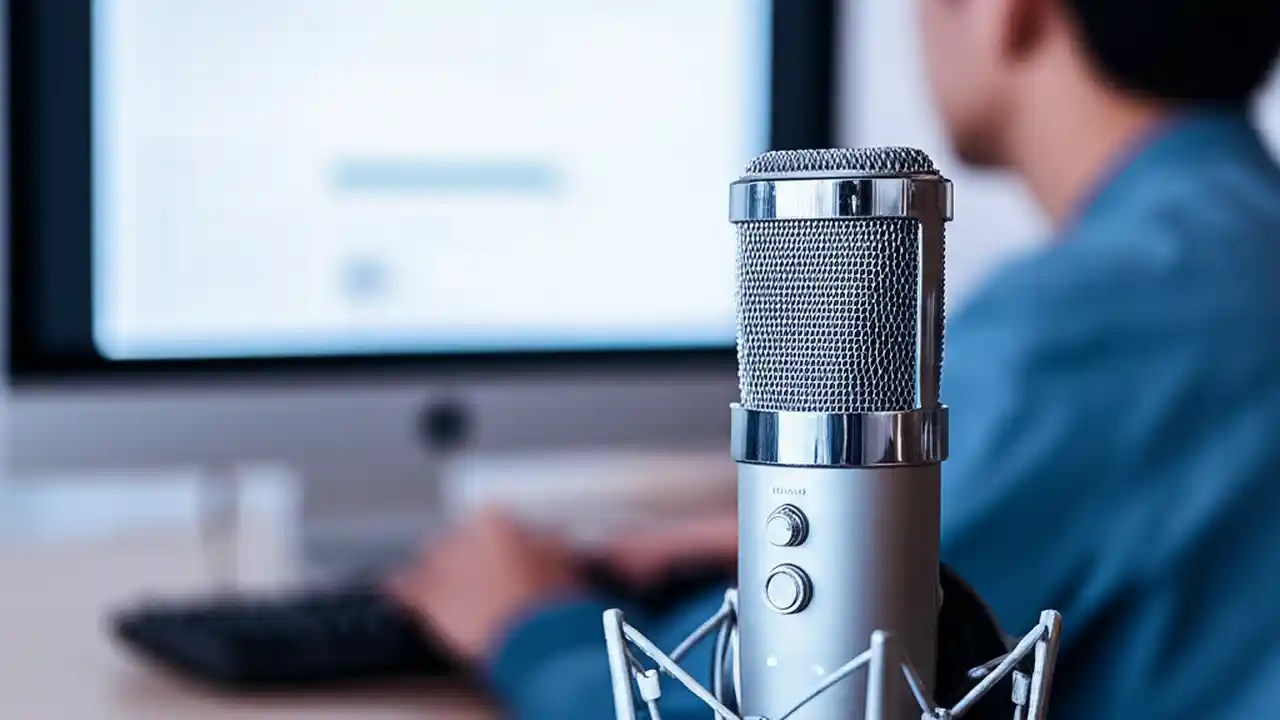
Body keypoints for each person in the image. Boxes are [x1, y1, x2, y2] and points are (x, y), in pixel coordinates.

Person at [390, 0, 1280, 717]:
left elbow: (773, 692)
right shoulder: (1236, 260)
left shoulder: (1088, 321)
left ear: (1007, 12)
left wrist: (532, 626)